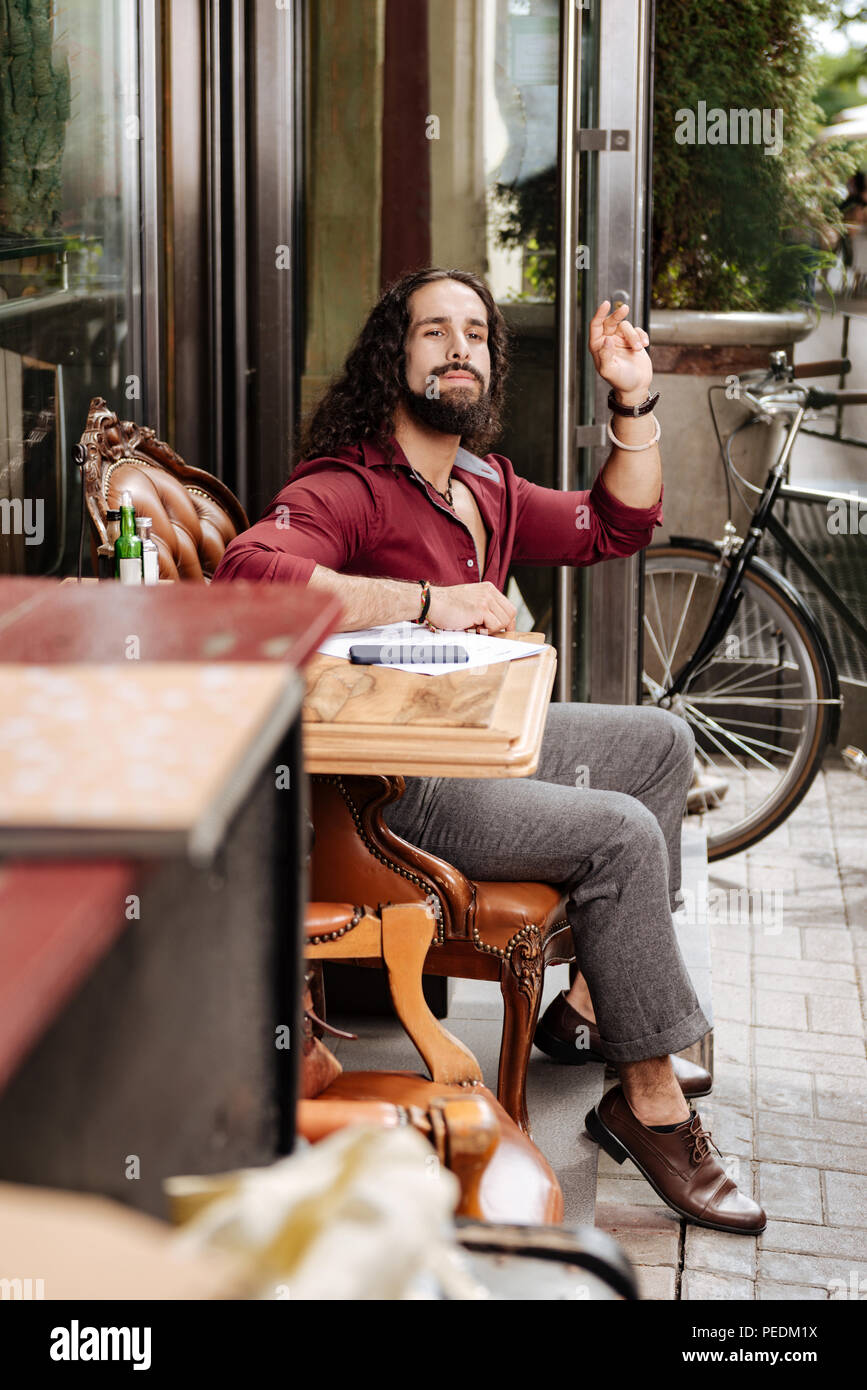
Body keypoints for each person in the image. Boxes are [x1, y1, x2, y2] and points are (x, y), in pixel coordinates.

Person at [213, 266, 765, 1234]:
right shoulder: (349, 485)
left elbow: (616, 524)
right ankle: (648, 1103)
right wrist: (428, 602)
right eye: (434, 331)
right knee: (623, 834)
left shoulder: (482, 482)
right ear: (397, 356)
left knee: (661, 744)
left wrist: (632, 393)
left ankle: (592, 1007)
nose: (458, 346)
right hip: (403, 789)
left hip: (485, 743)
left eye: (475, 331)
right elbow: (249, 572)